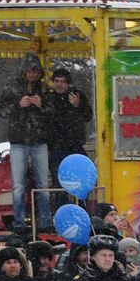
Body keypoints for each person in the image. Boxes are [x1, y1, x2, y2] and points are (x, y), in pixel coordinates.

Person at [0, 52, 55, 229]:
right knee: (18, 185)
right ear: (24, 72)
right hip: (18, 141)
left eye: (36, 72)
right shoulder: (11, 88)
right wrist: (19, 105)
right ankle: (19, 221)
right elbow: (1, 111)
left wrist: (41, 105)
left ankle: (45, 220)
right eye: (30, 71)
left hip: (39, 140)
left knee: (43, 184)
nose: (33, 75)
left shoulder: (44, 89)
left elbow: (53, 112)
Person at [45, 67, 91, 196]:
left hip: (75, 146)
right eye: (57, 81)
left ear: (68, 83)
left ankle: (83, 208)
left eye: (63, 82)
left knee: (81, 180)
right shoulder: (49, 98)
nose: (59, 85)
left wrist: (77, 105)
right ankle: (61, 209)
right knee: (59, 183)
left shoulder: (77, 95)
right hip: (56, 148)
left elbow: (88, 116)